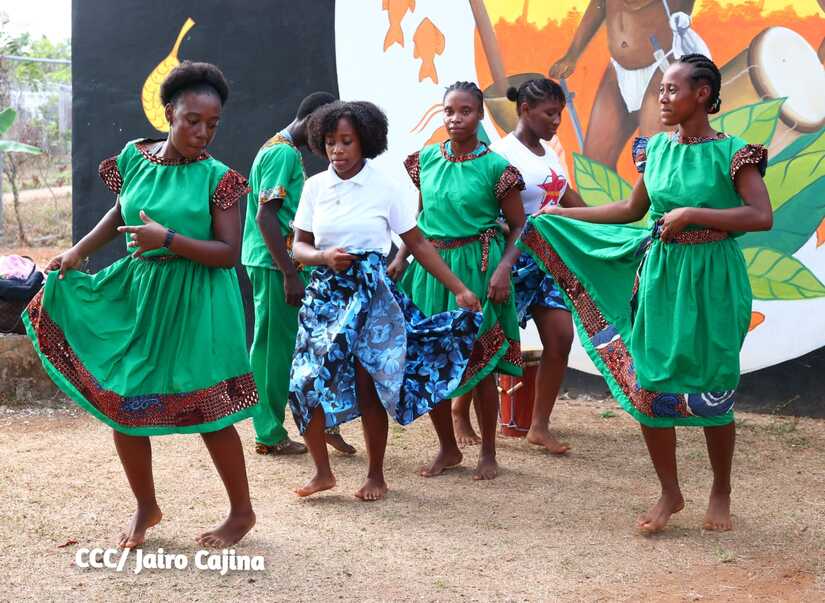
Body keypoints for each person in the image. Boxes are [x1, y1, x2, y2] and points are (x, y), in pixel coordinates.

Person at [520, 54, 772, 532]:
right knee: (651, 381)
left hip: (714, 278)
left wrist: (695, 214)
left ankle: (721, 490)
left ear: (703, 94)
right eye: (660, 90)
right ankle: (670, 493)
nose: (662, 97)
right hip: (660, 276)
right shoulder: (653, 149)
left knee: (713, 379)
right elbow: (629, 209)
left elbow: (761, 216)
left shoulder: (734, 152)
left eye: (673, 89)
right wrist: (560, 217)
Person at [23, 62, 259, 548]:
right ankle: (146, 506)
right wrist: (77, 252)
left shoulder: (220, 179)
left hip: (200, 302)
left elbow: (228, 254)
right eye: (193, 120)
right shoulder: (133, 156)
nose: (202, 133)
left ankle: (241, 513)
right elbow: (118, 213)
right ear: (169, 112)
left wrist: (167, 238)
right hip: (141, 292)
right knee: (124, 400)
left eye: (212, 125)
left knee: (208, 409)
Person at [288, 100, 482, 501]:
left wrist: (460, 287)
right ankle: (322, 472)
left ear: (365, 142)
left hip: (372, 294)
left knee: (368, 384)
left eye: (346, 141)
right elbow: (298, 248)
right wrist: (323, 257)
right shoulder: (314, 187)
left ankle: (375, 474)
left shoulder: (385, 186)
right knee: (304, 382)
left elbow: (418, 244)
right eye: (330, 142)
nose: (338, 150)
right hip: (325, 294)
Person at [390, 81, 526, 481]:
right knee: (433, 359)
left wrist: (502, 271)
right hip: (431, 270)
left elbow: (520, 225)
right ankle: (448, 448)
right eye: (449, 111)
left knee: (479, 362)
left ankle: (488, 451)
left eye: (465, 111)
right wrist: (401, 257)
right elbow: (418, 221)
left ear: (480, 115)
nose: (455, 118)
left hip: (479, 271)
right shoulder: (425, 161)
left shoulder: (497, 169)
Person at [242, 91, 355, 457]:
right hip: (275, 265)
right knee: (276, 349)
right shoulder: (282, 153)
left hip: (278, 263)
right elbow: (265, 215)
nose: (327, 143)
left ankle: (310, 425)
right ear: (313, 120)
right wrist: (289, 273)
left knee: (285, 346)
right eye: (325, 131)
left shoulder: (279, 149)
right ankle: (270, 432)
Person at [484, 77, 587, 454]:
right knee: (487, 340)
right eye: (549, 113)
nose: (556, 120)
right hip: (512, 260)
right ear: (524, 110)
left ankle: (539, 426)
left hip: (548, 259)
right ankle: (462, 414)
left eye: (559, 113)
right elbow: (488, 210)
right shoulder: (500, 154)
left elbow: (564, 195)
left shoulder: (550, 151)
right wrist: (497, 265)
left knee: (560, 338)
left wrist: (611, 222)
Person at [550, 0, 700, 168]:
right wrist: (572, 54)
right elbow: (600, 4)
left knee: (652, 160)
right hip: (619, 69)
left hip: (663, 65)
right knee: (595, 164)